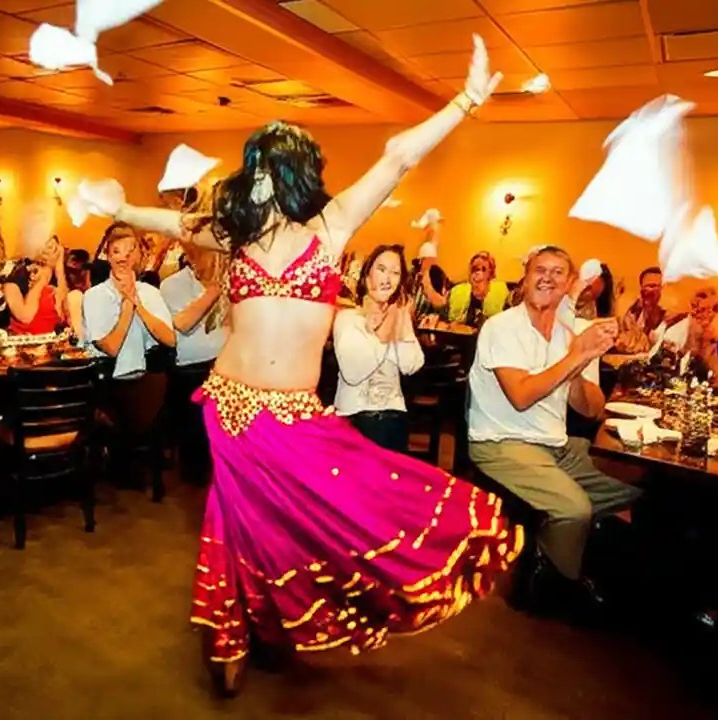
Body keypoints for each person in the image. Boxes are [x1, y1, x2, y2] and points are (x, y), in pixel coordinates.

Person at [97, 35, 518, 696]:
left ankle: (268, 616)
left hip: (295, 413)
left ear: (286, 176)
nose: (256, 180)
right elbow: (178, 225)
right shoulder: (233, 234)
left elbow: (399, 157)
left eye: (266, 169)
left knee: (327, 513)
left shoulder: (332, 227)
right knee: (235, 519)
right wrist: (118, 208)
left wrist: (464, 100)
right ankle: (233, 632)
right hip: (231, 405)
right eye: (254, 169)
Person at [467, 246, 639, 607]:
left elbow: (592, 409)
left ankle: (563, 549)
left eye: (558, 272)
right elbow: (522, 396)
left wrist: (580, 363)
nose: (547, 277)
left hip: (556, 446)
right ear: (525, 279)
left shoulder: (566, 333)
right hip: (502, 443)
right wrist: (576, 355)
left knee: (635, 493)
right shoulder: (502, 327)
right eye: (539, 270)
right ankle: (550, 584)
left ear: (570, 284)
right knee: (574, 508)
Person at [333, 244, 424, 451]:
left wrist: (395, 320)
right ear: (367, 277)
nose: (388, 278)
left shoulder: (399, 317)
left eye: (395, 273)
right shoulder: (349, 319)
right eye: (381, 269)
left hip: (394, 414)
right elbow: (354, 372)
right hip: (356, 415)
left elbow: (412, 364)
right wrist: (387, 331)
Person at [160, 240, 228, 483]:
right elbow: (183, 324)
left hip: (225, 365)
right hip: (191, 368)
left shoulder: (232, 282)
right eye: (214, 254)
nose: (220, 260)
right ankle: (198, 471)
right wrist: (215, 290)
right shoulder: (173, 285)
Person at [82, 223, 174, 378]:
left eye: (129, 251)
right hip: (108, 383)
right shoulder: (94, 296)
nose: (123, 258)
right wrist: (127, 305)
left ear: (138, 255)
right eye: (116, 251)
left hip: (150, 379)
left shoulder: (150, 292)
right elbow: (111, 347)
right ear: (108, 256)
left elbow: (170, 340)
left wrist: (138, 304)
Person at [615, 266, 680, 353]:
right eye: (651, 286)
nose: (655, 290)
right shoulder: (633, 313)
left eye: (659, 286)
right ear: (641, 289)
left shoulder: (672, 317)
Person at [446, 251, 509, 326]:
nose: (478, 273)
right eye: (474, 269)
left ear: (490, 274)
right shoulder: (457, 292)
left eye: (483, 269)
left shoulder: (502, 294)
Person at [409, 233, 450, 326]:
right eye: (427, 260)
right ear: (420, 260)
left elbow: (442, 306)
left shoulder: (438, 275)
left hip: (429, 326)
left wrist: (427, 284)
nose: (431, 263)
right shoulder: (410, 276)